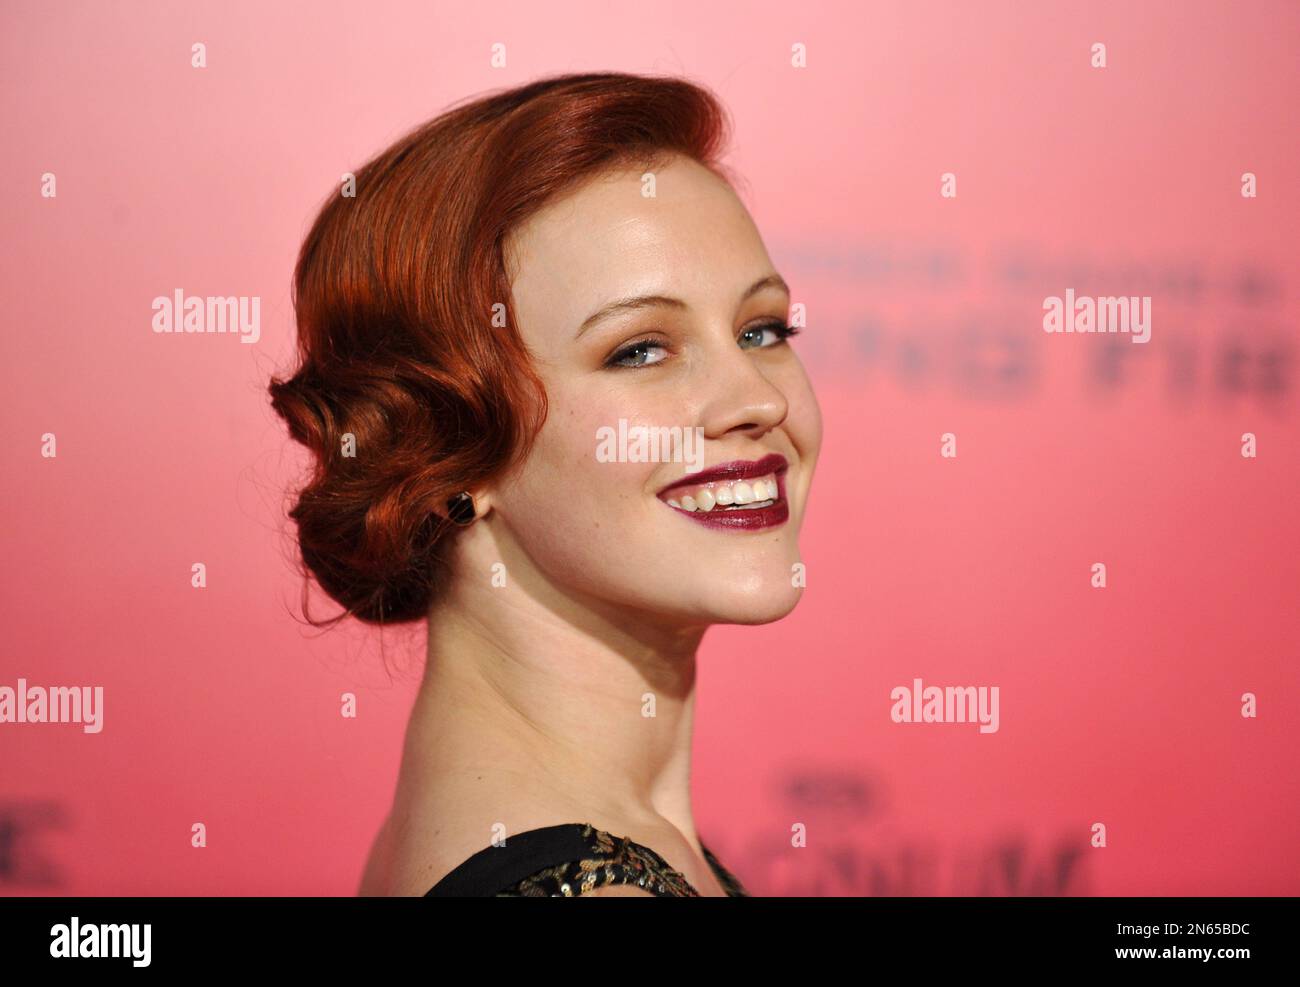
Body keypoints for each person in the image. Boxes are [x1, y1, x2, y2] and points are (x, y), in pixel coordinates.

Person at [269, 71, 822, 896]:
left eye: (762, 328)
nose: (760, 398)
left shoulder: (516, 833)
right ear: (450, 444)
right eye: (639, 348)